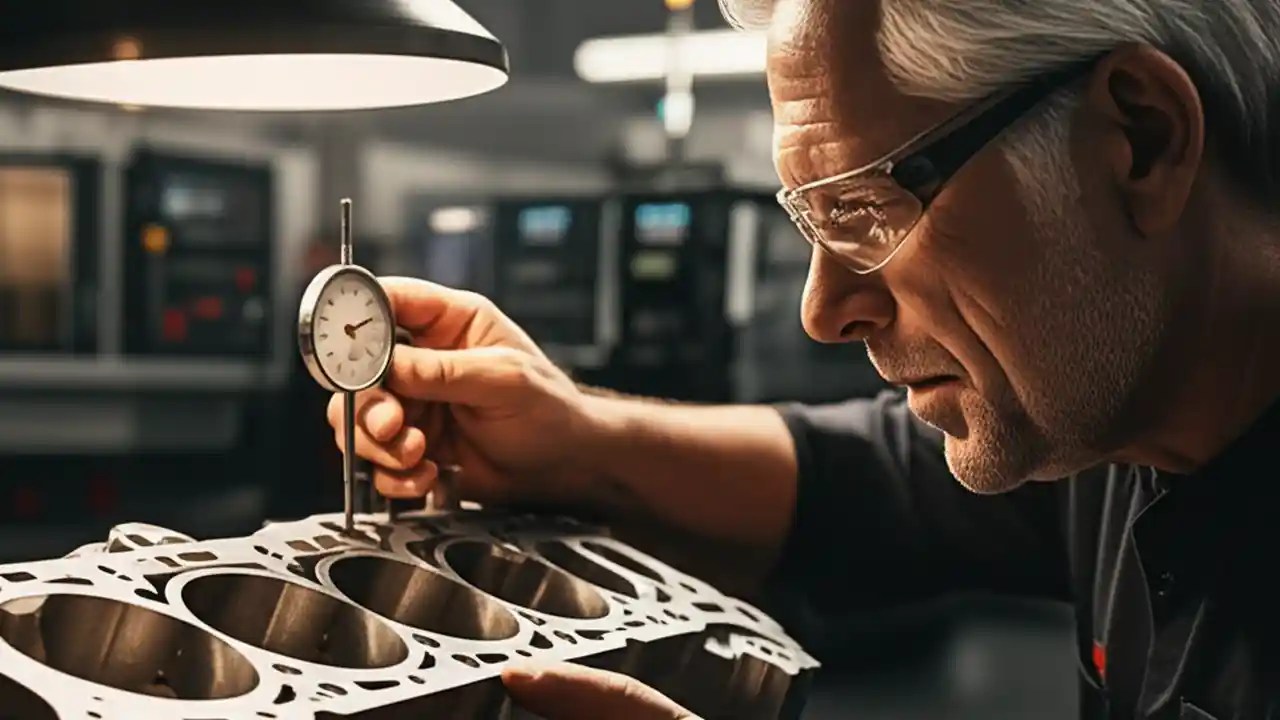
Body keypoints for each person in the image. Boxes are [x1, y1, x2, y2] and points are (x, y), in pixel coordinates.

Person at [328, 0, 1280, 717]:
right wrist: (577, 438)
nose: (823, 311)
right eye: (814, 222)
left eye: (865, 211)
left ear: (1140, 141)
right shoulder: (1122, 425)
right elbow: (874, 477)